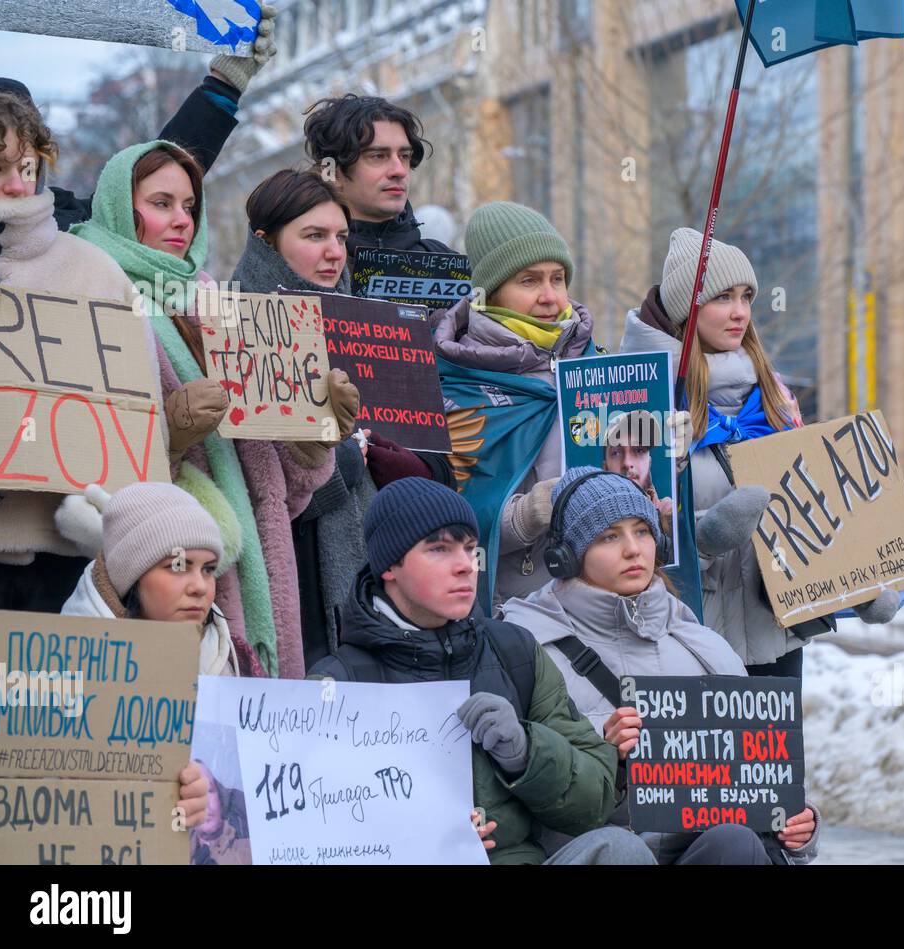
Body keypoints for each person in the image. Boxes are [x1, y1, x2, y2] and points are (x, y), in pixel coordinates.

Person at [72, 141, 356, 678]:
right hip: (160, 583)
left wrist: (312, 445)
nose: (181, 219)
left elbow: (281, 498)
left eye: (190, 206)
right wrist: (171, 439)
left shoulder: (219, 306)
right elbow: (83, 479)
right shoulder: (92, 296)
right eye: (162, 203)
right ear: (117, 205)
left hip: (258, 581)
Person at [309, 477, 654, 865]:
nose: (464, 566)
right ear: (390, 565)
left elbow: (595, 802)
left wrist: (526, 753)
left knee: (619, 849)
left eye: (471, 549)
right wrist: (413, 843)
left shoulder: (516, 650)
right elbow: (315, 831)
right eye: (439, 549)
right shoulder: (338, 684)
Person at [502, 467, 820, 864]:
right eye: (609, 536)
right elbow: (513, 800)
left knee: (736, 843)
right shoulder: (524, 648)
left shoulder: (704, 646)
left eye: (643, 531)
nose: (633, 549)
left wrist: (798, 824)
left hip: (690, 851)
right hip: (597, 854)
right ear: (566, 557)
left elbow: (757, 783)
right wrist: (604, 758)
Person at [621, 228, 898, 679]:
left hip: (777, 642)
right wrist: (703, 540)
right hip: (687, 641)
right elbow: (621, 533)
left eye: (746, 296)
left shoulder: (775, 397)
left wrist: (856, 576)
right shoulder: (644, 400)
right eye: (722, 297)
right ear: (684, 310)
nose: (740, 312)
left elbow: (810, 512)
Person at [232, 168, 454, 668]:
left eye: (340, 237)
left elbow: (439, 465)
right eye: (314, 236)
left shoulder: (377, 325)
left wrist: (416, 471)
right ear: (266, 244)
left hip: (375, 581)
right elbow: (261, 492)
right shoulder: (242, 323)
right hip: (292, 584)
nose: (335, 252)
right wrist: (349, 463)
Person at [0, 93, 146, 612]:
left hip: (62, 559)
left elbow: (135, 417)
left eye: (27, 166)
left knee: (54, 696)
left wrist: (103, 506)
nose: (15, 184)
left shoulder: (96, 272)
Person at [435, 201, 603, 613]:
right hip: (512, 608)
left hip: (602, 601)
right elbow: (442, 522)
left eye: (558, 279)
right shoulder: (451, 384)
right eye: (529, 281)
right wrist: (525, 516)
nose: (550, 297)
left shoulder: (599, 368)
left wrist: (665, 453)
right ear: (489, 292)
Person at [0, 5, 278, 230]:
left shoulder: (77, 233)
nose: (18, 187)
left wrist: (224, 82)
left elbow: (160, 169)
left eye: (29, 169)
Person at [58, 481, 239, 850]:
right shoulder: (60, 672)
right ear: (132, 575)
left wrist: (215, 799)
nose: (200, 587)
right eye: (178, 566)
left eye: (208, 569)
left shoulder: (230, 659)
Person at [302, 94, 456, 264]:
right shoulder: (309, 267)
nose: (399, 171)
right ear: (331, 171)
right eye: (378, 156)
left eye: (404, 156)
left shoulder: (443, 264)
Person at [602, 410, 675, 561]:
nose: (627, 463)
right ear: (605, 468)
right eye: (616, 452)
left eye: (639, 450)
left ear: (649, 462)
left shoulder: (670, 514)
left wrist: (675, 526)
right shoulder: (592, 528)